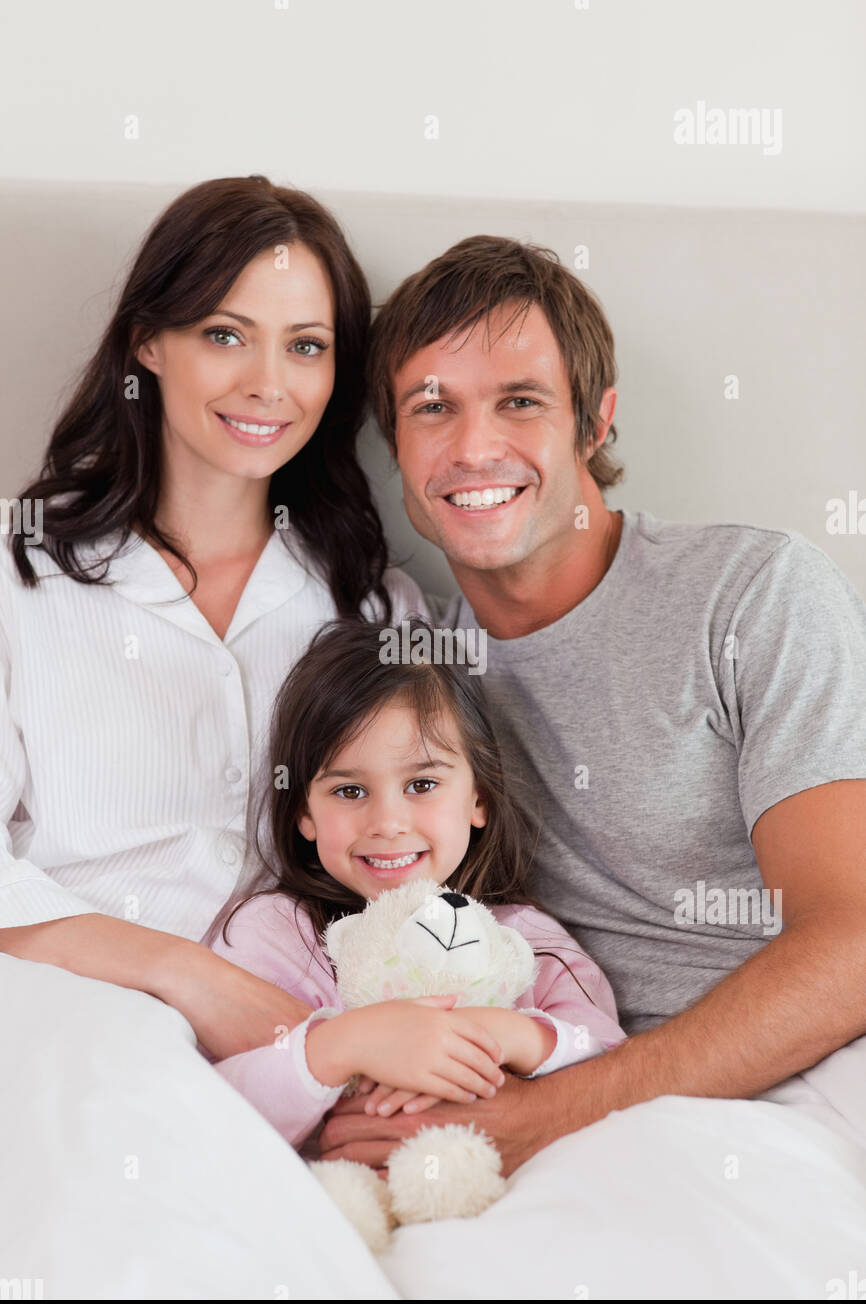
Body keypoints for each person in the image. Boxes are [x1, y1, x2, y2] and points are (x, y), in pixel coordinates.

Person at [317, 233, 866, 1175]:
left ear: (594, 422)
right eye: (432, 407)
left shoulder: (752, 594)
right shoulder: (420, 686)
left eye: (520, 402)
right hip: (588, 1097)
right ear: (395, 443)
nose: (473, 447)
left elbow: (854, 939)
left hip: (819, 1069)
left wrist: (545, 1116)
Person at [0, 175, 428, 1061]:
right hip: (68, 1015)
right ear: (148, 341)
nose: (269, 384)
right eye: (226, 334)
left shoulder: (376, 607)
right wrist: (188, 978)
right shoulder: (17, 566)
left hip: (308, 1037)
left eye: (306, 346)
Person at [204, 616, 626, 1158]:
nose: (388, 821)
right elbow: (213, 1102)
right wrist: (342, 1046)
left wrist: (507, 1035)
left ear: (479, 799)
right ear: (303, 814)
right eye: (350, 790)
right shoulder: (273, 935)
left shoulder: (526, 941)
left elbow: (610, 1061)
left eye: (422, 785)